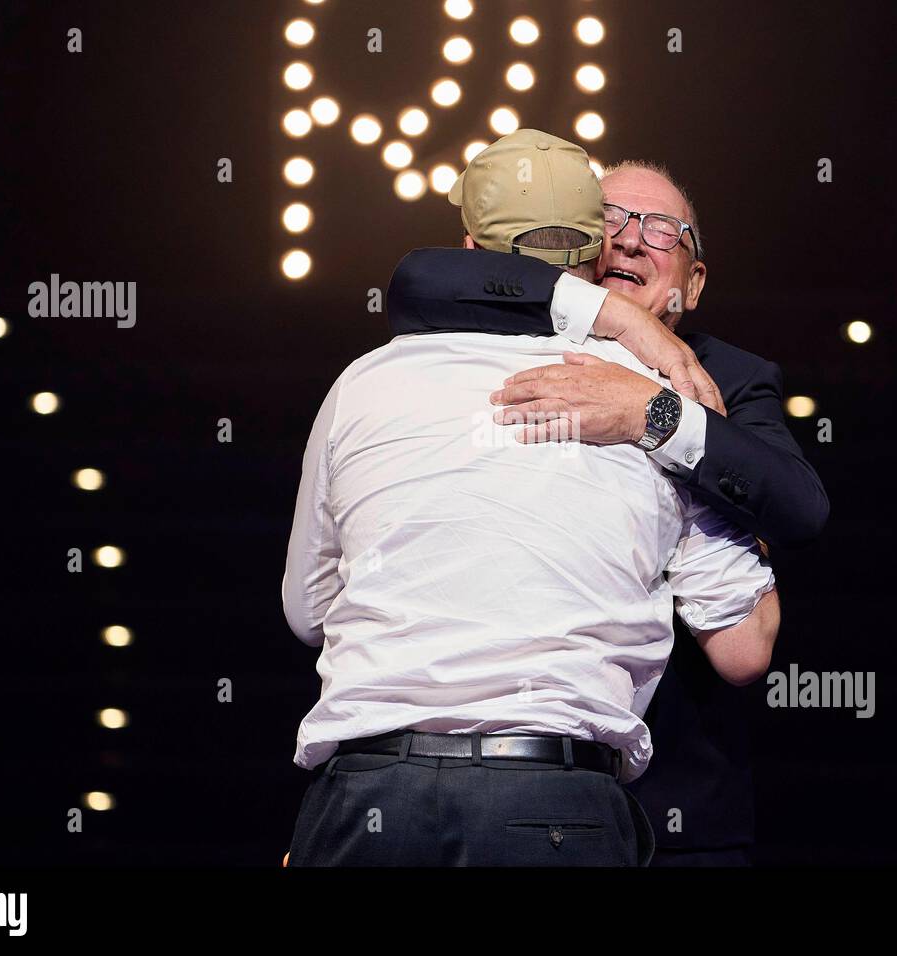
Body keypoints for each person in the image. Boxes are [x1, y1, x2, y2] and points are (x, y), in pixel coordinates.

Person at [281, 130, 778, 866]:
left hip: (367, 801)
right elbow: (743, 645)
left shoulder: (364, 382)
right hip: (552, 805)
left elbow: (308, 612)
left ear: (469, 250)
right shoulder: (649, 402)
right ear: (593, 258)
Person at [385, 157, 827, 864]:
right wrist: (619, 319)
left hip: (681, 809)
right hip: (510, 792)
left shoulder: (733, 378)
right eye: (609, 221)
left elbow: (799, 507)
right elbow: (415, 278)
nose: (627, 241)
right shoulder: (494, 357)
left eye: (660, 230)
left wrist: (652, 414)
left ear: (694, 280)